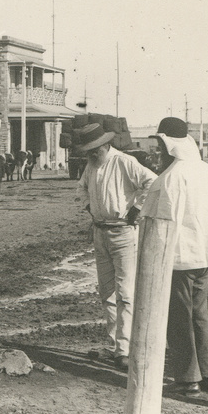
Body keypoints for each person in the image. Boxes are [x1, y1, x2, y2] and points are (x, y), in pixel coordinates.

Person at [145, 117, 208, 395]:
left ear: (168, 144)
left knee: (179, 318)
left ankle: (187, 379)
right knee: (199, 315)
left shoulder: (171, 177)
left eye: (160, 145)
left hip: (180, 259)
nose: (159, 151)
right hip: (205, 256)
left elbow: (162, 223)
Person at [76, 122, 157, 370]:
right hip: (100, 232)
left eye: (95, 149)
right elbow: (81, 189)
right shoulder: (91, 165)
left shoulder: (124, 162)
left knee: (126, 293)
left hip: (123, 233)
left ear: (106, 145)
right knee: (107, 292)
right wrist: (90, 207)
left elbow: (152, 182)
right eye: (88, 151)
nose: (91, 154)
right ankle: (114, 345)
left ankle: (125, 349)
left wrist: (137, 208)